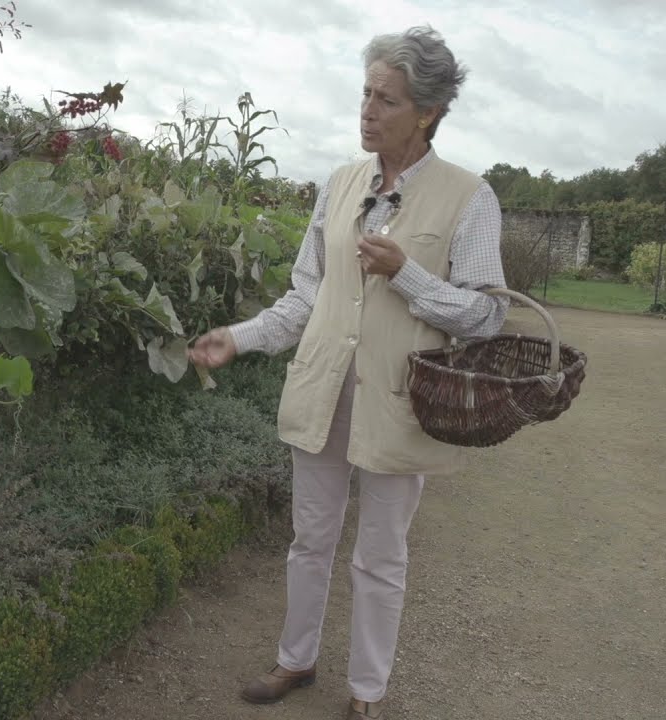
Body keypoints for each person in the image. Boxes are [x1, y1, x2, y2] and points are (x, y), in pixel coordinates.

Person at [188, 26, 509, 720]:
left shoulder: (469, 198)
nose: (367, 111)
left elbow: (486, 316)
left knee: (381, 555)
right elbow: (306, 297)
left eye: (386, 100)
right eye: (365, 93)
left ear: (426, 112)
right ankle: (295, 660)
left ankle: (368, 692)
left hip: (399, 401)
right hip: (323, 389)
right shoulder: (339, 185)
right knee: (310, 538)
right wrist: (236, 340)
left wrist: (409, 275)